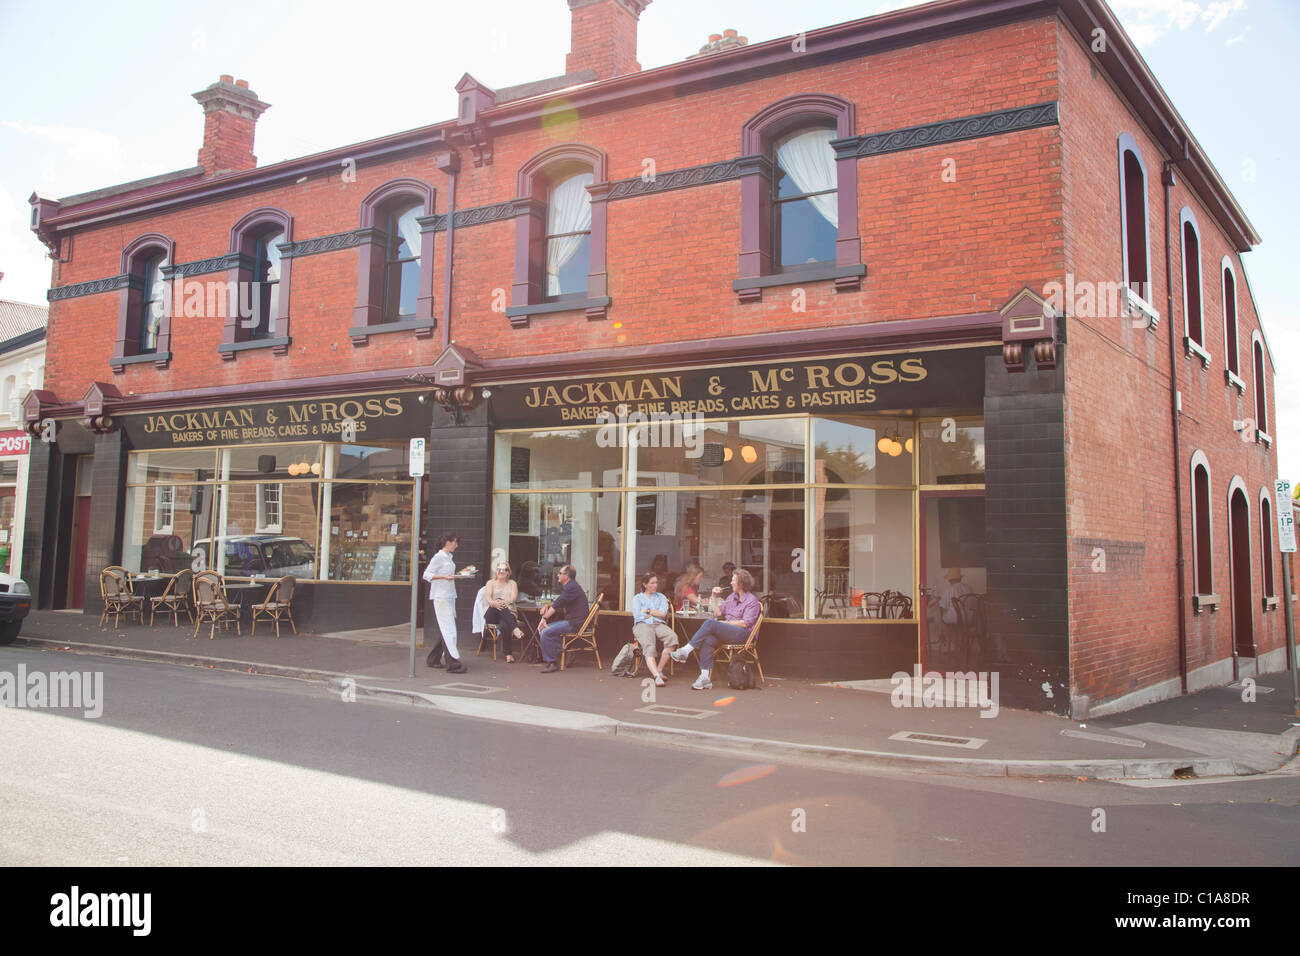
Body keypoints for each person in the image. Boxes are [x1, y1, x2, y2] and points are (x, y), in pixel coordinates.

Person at [670, 568, 761, 690]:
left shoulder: (752, 600)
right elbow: (717, 613)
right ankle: (704, 677)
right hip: (729, 632)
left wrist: (726, 624)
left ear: (741, 583)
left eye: (733, 580)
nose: (731, 582)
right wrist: (713, 596)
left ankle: (685, 651)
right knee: (708, 639)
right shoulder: (731, 597)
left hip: (743, 635)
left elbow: (745, 623)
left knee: (710, 623)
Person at [423, 532, 467, 674]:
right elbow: (427, 574)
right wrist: (444, 576)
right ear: (447, 543)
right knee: (449, 629)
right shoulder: (439, 557)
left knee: (446, 627)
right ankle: (453, 663)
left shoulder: (448, 557)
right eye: (455, 542)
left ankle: (433, 658)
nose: (457, 545)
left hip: (449, 595)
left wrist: (457, 575)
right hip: (441, 596)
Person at [537, 564, 588, 674]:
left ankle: (552, 663)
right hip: (574, 621)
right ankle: (566, 651)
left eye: (560, 573)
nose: (557, 575)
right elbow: (559, 601)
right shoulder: (571, 586)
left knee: (545, 632)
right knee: (548, 632)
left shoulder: (571, 587)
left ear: (567, 576)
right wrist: (547, 606)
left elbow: (558, 604)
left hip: (574, 623)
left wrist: (544, 618)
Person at [631, 572, 677, 686]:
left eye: (656, 582)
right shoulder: (637, 598)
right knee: (649, 645)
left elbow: (662, 614)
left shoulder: (661, 597)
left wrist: (647, 611)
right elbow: (637, 615)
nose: (655, 585)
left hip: (658, 623)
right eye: (652, 583)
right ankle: (656, 676)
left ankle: (659, 670)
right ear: (645, 584)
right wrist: (651, 613)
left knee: (673, 638)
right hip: (642, 624)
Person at [478, 560, 524, 663]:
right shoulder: (490, 583)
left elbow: (513, 598)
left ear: (508, 572)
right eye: (499, 569)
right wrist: (496, 603)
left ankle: (508, 655)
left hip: (508, 612)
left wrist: (504, 603)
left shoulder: (512, 583)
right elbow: (488, 598)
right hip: (492, 613)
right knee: (500, 603)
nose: (501, 572)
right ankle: (515, 629)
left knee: (504, 625)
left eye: (504, 570)